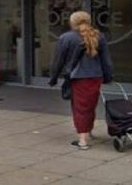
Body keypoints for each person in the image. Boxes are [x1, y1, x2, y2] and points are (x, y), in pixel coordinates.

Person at [48, 11, 113, 150]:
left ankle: (83, 140)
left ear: (72, 23)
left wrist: (53, 78)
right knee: (90, 106)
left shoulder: (66, 38)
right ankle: (88, 131)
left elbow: (58, 61)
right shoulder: (98, 36)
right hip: (95, 77)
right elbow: (106, 60)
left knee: (80, 108)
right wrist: (108, 77)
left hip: (78, 78)